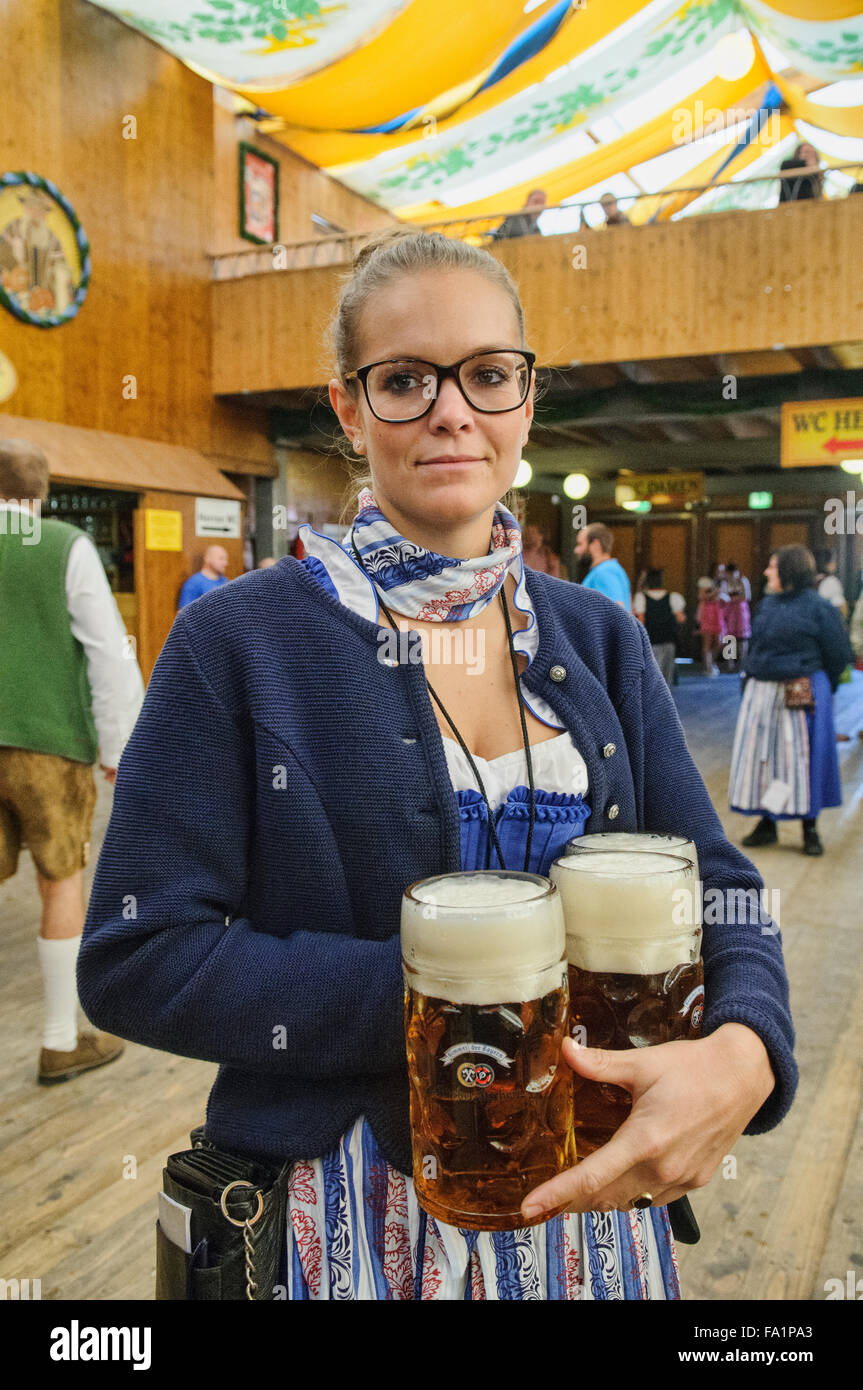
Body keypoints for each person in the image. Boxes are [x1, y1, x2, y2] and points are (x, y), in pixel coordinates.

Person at [79, 228, 793, 1302]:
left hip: (592, 1217)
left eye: (487, 374)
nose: (450, 410)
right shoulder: (240, 642)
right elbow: (136, 953)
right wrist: (460, 1001)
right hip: (346, 1211)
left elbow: (724, 890)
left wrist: (747, 1049)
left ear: (525, 398)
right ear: (348, 409)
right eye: (404, 379)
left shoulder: (593, 638)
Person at [0, 440, 144, 1082]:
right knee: (61, 882)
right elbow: (110, 653)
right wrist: (119, 749)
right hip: (49, 746)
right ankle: (61, 1037)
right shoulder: (63, 545)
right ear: (40, 493)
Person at [729, 546, 853, 857]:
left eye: (773, 567)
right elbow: (756, 648)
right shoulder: (768, 605)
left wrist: (820, 690)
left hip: (801, 695)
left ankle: (809, 827)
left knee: (802, 761)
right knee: (765, 760)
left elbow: (838, 655)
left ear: (790, 571)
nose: (767, 573)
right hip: (763, 694)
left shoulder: (820, 608)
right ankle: (768, 821)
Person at [632, 567, 685, 687]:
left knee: (653, 674)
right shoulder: (673, 597)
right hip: (668, 639)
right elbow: (680, 618)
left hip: (651, 640)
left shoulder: (641, 597)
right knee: (667, 675)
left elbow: (641, 621)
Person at [573, 522, 631, 608]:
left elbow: (616, 611)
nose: (576, 550)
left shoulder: (604, 572)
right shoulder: (609, 569)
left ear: (595, 544)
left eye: (580, 544)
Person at [720, 564, 752, 673]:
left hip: (741, 611)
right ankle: (730, 664)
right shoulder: (725, 583)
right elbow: (724, 596)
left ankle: (742, 664)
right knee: (729, 638)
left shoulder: (743, 580)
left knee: (742, 638)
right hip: (729, 611)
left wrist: (732, 598)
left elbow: (747, 596)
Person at [177, 544, 229, 608]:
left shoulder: (225, 581)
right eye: (221, 559)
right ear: (207, 559)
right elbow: (183, 613)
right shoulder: (193, 583)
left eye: (226, 559)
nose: (225, 563)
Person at [696, 576, 724, 676]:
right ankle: (708, 668)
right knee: (707, 643)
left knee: (719, 642)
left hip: (717, 615)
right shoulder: (705, 583)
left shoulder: (722, 584)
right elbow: (702, 597)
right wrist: (715, 592)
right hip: (707, 615)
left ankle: (712, 663)